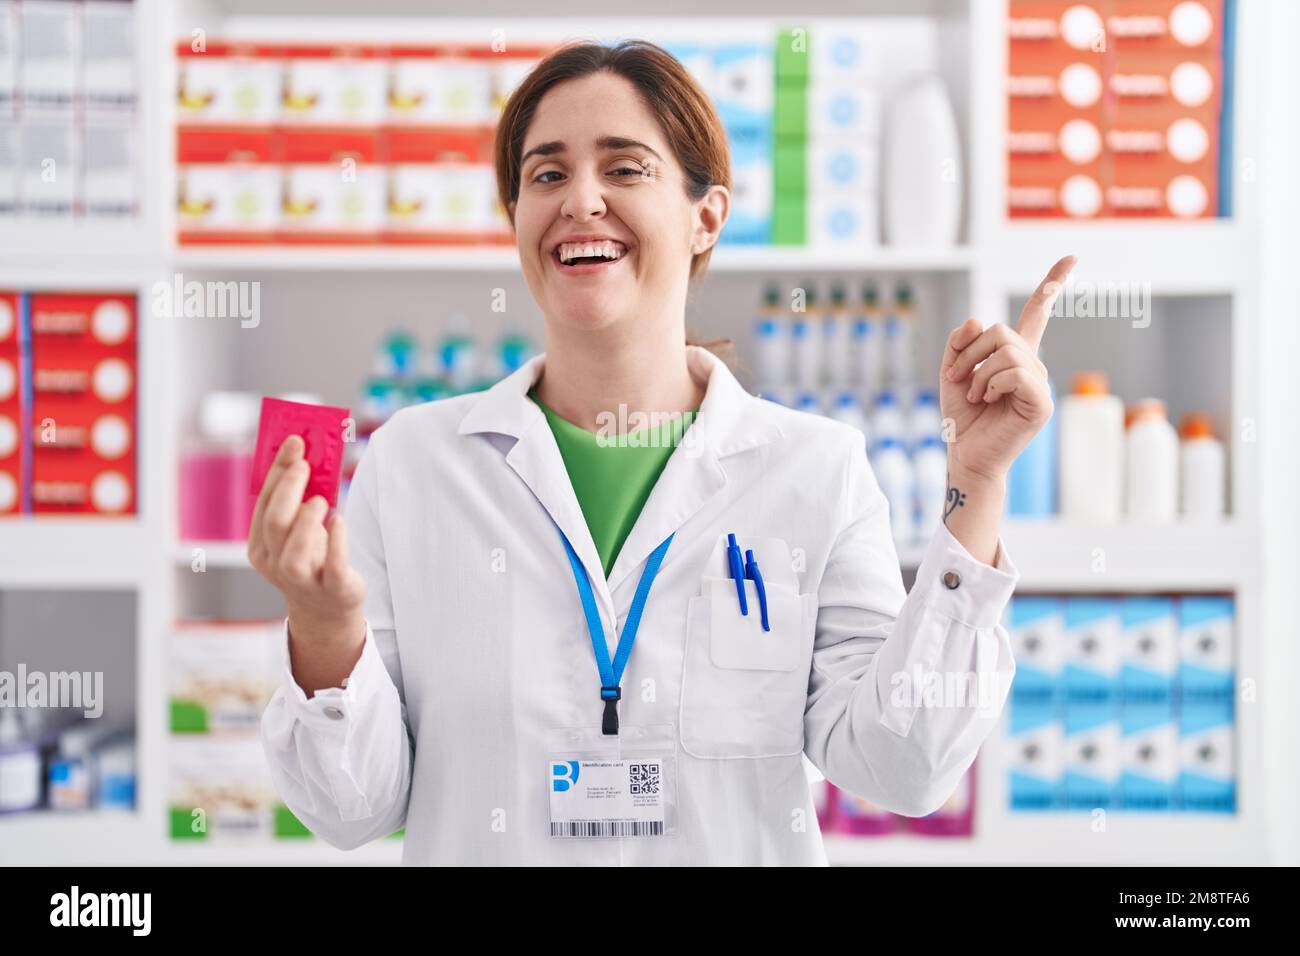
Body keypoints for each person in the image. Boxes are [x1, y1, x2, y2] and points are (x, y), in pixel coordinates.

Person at [254, 40, 1075, 865]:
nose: (580, 201)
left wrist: (977, 483)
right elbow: (351, 811)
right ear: (515, 221)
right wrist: (324, 630)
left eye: (625, 169)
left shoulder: (814, 470)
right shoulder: (415, 465)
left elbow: (901, 769)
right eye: (546, 175)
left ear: (705, 216)